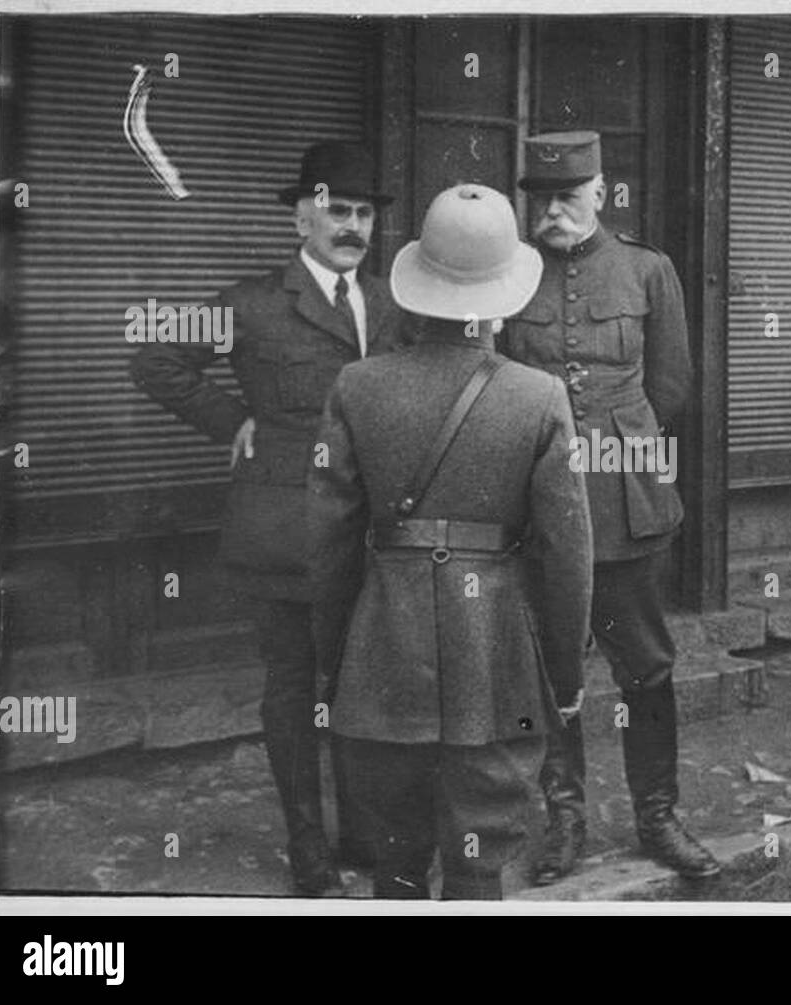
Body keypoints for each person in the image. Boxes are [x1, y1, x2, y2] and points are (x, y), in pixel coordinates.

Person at [130, 141, 411, 895]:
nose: (352, 225)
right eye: (336, 209)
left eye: (364, 213)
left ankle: (360, 831)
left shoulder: (390, 302)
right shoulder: (252, 303)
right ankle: (307, 845)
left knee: (357, 680)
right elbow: (154, 358)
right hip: (282, 529)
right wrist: (232, 420)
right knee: (292, 684)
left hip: (369, 530)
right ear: (301, 218)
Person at [308, 183, 593, 900]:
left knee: (396, 852)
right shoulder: (539, 396)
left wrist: (334, 662)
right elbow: (566, 554)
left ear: (418, 289)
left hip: (382, 652)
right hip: (493, 659)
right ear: (502, 299)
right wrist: (563, 676)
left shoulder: (356, 385)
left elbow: (329, 544)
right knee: (478, 859)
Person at [502, 130, 720, 882]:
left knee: (646, 667)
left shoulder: (647, 269)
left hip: (626, 505)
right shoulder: (513, 272)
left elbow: (672, 385)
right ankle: (566, 820)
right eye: (541, 200)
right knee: (550, 671)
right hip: (538, 508)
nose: (553, 213)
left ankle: (658, 816)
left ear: (600, 191)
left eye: (568, 197)